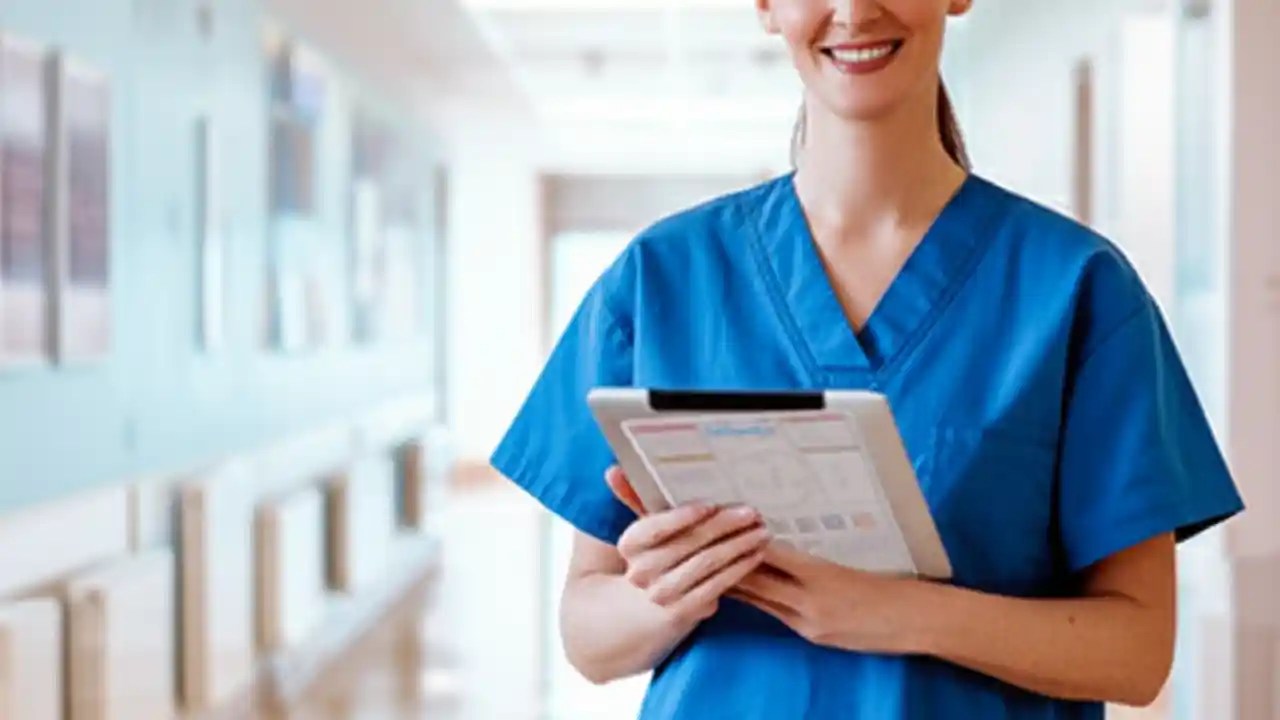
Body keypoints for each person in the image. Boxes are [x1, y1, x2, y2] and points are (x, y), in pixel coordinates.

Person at [489, 0, 1245, 717]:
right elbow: (588, 635)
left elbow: (1138, 651)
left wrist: (902, 614)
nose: (853, 11)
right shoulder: (663, 278)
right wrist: (665, 592)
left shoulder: (1075, 288)